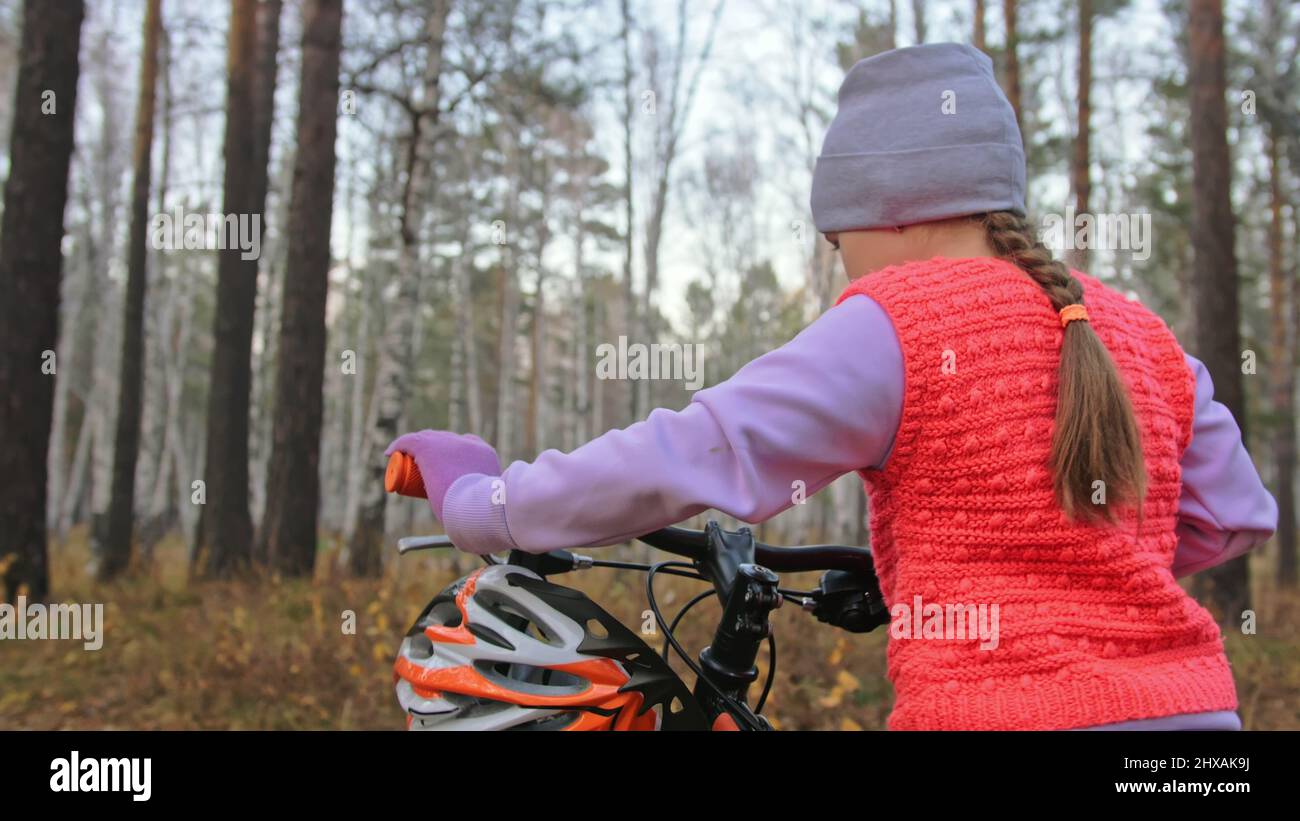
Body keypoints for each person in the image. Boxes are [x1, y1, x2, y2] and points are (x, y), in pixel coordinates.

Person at [386, 43, 1277, 730]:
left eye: (833, 238)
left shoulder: (896, 320)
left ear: (884, 210)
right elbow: (1233, 515)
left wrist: (484, 501)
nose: (837, 264)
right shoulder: (1137, 330)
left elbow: (700, 451)